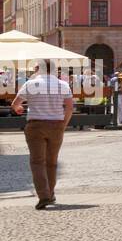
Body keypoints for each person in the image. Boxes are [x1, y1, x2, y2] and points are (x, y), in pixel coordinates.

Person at [13, 66, 75, 209]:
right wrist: (63, 125)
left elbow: (16, 104)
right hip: (56, 126)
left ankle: (44, 196)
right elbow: (70, 107)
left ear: (38, 70)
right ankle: (51, 193)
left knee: (37, 162)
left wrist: (19, 109)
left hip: (35, 126)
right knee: (52, 163)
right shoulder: (63, 85)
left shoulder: (30, 84)